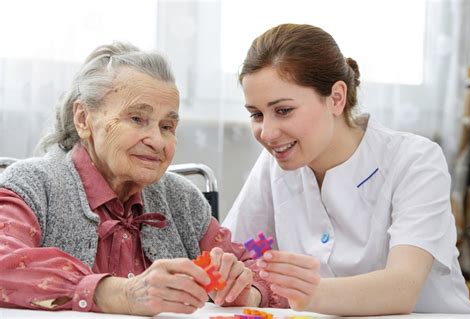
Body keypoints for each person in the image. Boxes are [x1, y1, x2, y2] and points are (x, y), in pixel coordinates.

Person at [0, 42, 287, 316]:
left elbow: (264, 273)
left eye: (167, 126)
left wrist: (246, 290)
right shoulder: (32, 185)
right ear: (83, 119)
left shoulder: (183, 201)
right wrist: (121, 293)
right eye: (137, 119)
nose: (157, 141)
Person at [223, 23, 470, 315]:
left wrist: (310, 293)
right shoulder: (274, 165)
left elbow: (402, 287)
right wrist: (235, 284)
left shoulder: (415, 160)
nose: (266, 133)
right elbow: (236, 254)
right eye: (256, 114)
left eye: (283, 110)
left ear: (337, 98)